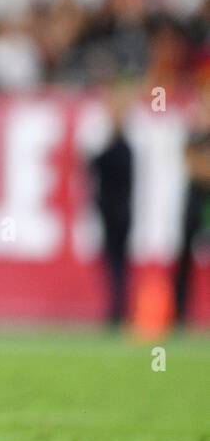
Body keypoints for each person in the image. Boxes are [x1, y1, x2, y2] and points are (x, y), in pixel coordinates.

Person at [88, 84, 134, 327]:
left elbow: (98, 165)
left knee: (117, 261)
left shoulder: (122, 146)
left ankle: (119, 310)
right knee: (113, 261)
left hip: (118, 210)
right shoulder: (114, 143)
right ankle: (117, 308)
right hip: (112, 209)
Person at [173, 60, 210, 327]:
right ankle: (179, 311)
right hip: (196, 197)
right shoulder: (194, 131)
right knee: (185, 251)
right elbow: (191, 164)